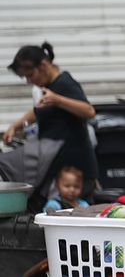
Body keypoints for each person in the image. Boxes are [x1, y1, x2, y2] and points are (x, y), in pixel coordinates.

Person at [6, 42, 98, 197]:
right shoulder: (50, 87)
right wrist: (15, 126)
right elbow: (38, 110)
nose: (29, 81)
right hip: (57, 167)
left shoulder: (64, 83)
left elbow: (89, 111)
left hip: (74, 172)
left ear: (43, 65)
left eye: (30, 75)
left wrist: (58, 100)